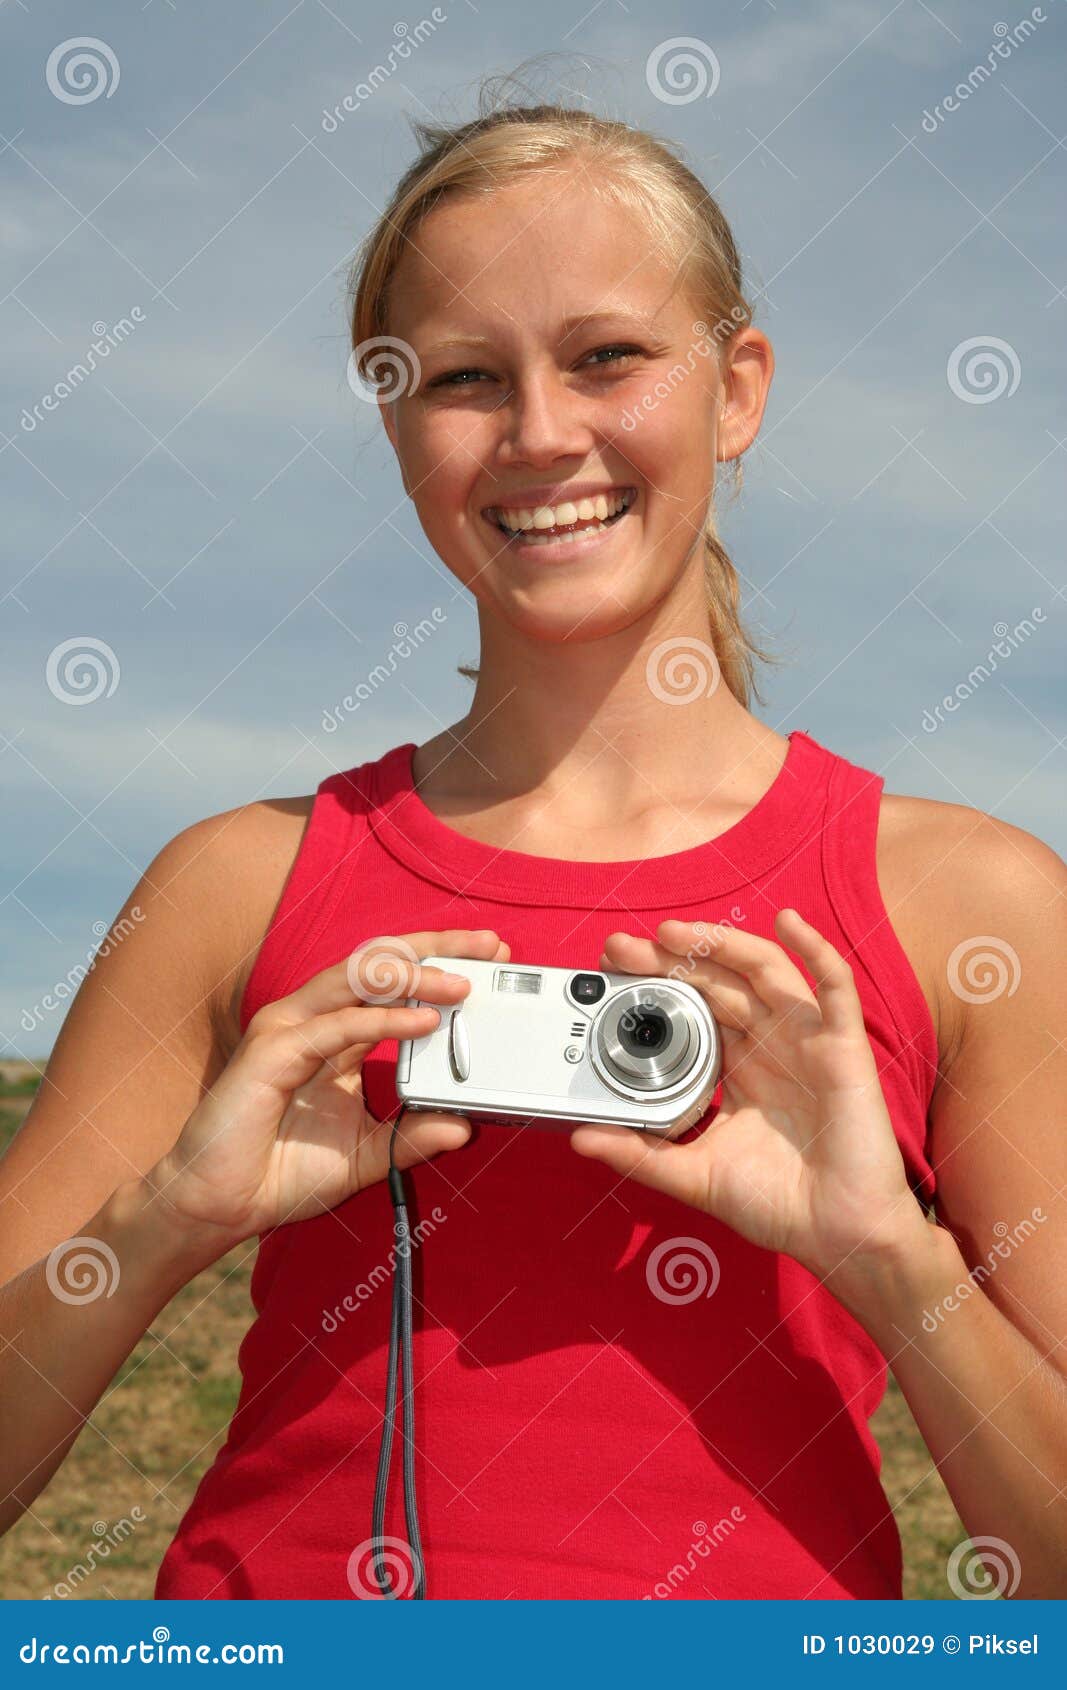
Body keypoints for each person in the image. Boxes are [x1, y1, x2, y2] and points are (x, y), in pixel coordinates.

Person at [1, 90, 1064, 1603]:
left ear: (738, 386)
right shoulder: (234, 883)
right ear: (397, 423)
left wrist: (895, 1261)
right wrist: (165, 1219)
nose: (542, 433)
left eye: (608, 356)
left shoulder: (971, 902)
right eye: (464, 378)